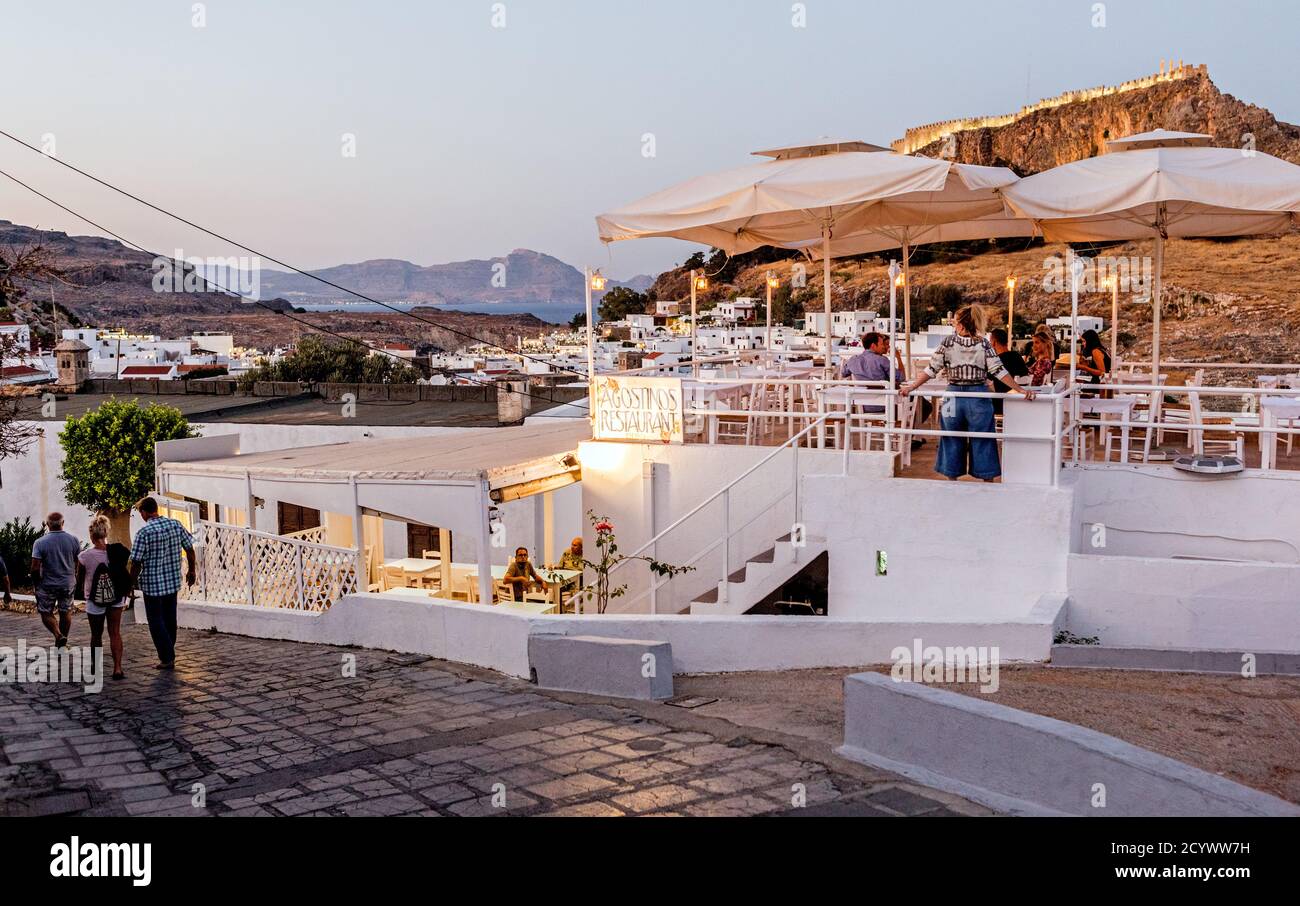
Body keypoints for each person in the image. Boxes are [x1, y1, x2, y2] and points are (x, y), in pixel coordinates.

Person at [899, 304, 1035, 481]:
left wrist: (911, 387)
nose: (954, 325)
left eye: (955, 322)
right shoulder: (983, 344)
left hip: (953, 397)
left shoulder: (948, 343)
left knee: (951, 437)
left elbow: (931, 369)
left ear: (961, 325)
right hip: (979, 396)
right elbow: (999, 371)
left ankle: (952, 478)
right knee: (983, 438)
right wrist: (1019, 389)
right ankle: (987, 479)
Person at [128, 497, 196, 670]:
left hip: (152, 584)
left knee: (156, 620)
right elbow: (189, 548)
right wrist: (192, 570)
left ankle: (167, 657)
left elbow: (136, 561)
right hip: (172, 581)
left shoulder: (144, 533)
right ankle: (168, 653)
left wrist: (131, 583)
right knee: (169, 618)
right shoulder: (175, 525)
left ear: (144, 512)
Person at [76, 515, 132, 681]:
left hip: (95, 599)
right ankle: (117, 668)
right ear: (106, 533)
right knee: (115, 632)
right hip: (116, 598)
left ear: (91, 535)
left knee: (96, 634)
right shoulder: (117, 552)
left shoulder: (84, 556)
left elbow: (80, 578)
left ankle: (96, 667)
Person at [30, 512, 82, 648]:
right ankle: (63, 642)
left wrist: (36, 584)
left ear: (47, 525)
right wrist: (76, 577)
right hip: (68, 583)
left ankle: (58, 635)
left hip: (47, 584)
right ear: (62, 523)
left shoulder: (40, 543)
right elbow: (80, 561)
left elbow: (35, 568)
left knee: (45, 612)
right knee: (66, 611)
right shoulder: (73, 540)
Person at [989, 328, 1029, 415]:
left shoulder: (995, 362)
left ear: (994, 342)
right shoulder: (1017, 356)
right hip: (1018, 401)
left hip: (999, 403)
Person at [1077, 328, 1112, 395]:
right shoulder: (1102, 349)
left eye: (1084, 341)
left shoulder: (1096, 351)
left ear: (1090, 341)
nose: (1083, 344)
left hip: (1097, 386)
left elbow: (1102, 372)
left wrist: (1084, 367)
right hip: (1103, 383)